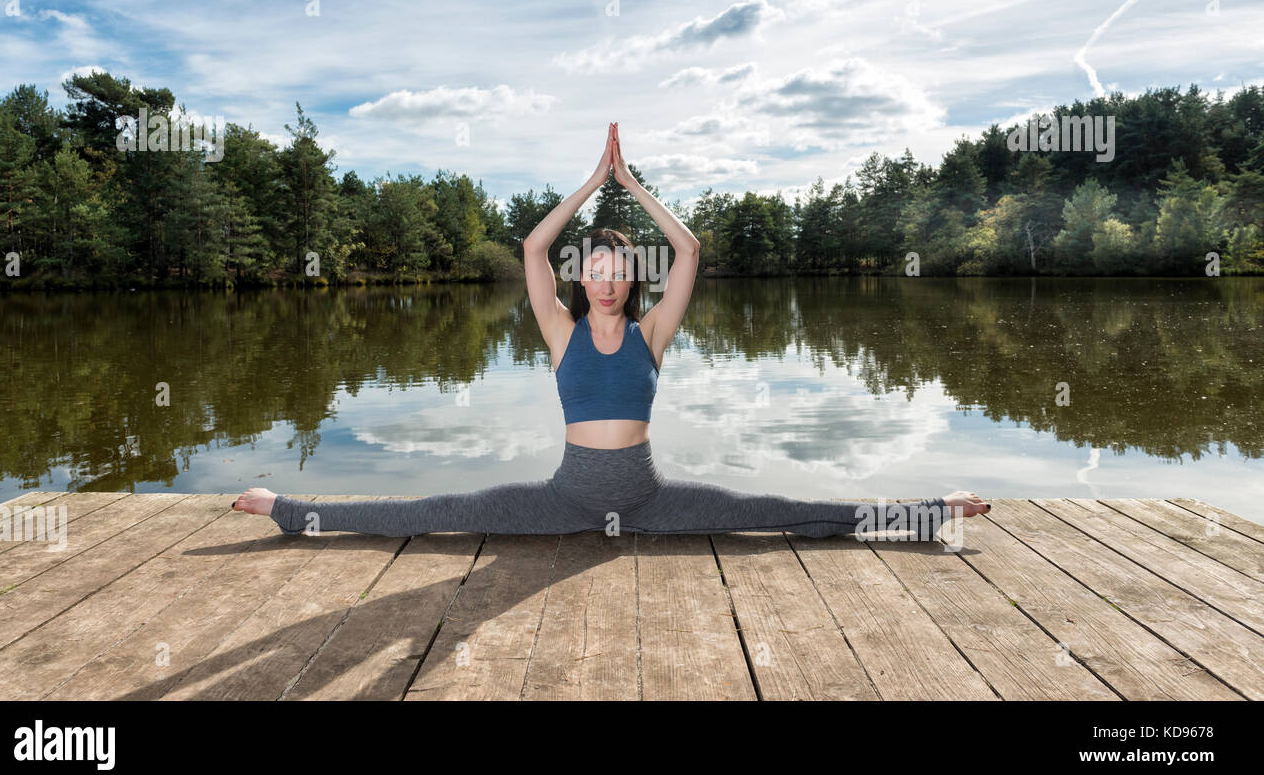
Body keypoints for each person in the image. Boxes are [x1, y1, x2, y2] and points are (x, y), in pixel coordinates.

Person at [234, 122, 990, 539]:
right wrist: (593, 182)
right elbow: (532, 247)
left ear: (630, 280)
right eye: (593, 267)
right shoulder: (558, 330)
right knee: (438, 512)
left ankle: (933, 512)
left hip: (652, 496)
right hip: (564, 497)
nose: (604, 277)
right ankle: (291, 511)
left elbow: (690, 250)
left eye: (616, 268)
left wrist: (632, 186)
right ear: (580, 278)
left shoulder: (651, 333)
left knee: (776, 510)